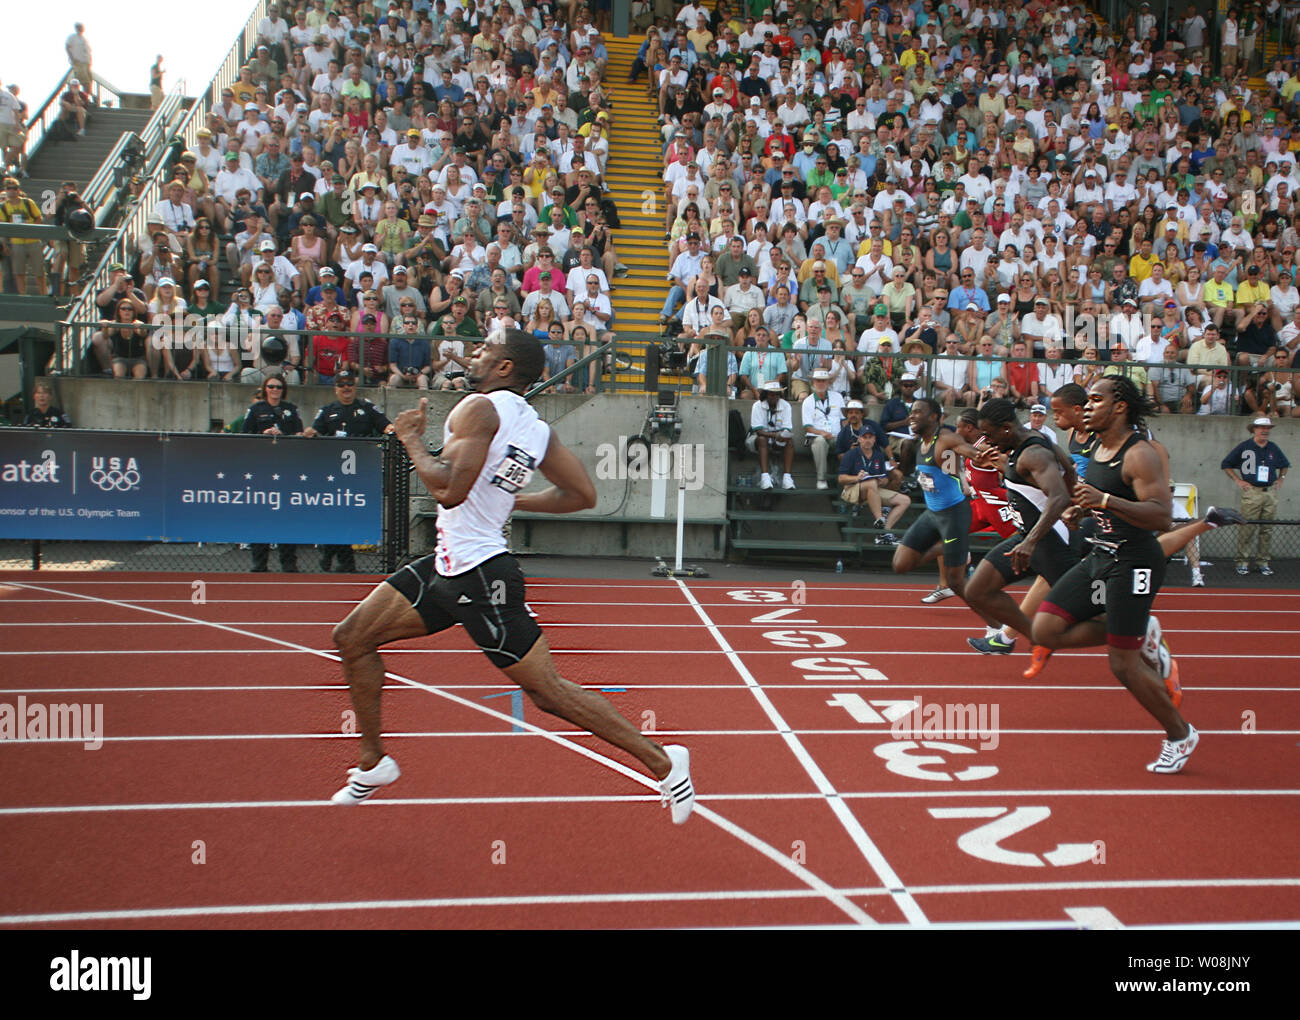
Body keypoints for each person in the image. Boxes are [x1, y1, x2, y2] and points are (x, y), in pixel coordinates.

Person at [329, 329, 695, 823]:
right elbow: (582, 496)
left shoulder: (479, 409)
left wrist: (412, 439)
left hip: (480, 577)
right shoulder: (536, 429)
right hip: (447, 564)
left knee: (548, 692)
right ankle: (373, 762)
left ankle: (663, 760)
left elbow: (449, 491)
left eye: (486, 348)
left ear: (505, 368)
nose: (475, 351)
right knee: (353, 637)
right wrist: (511, 499)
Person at [1031, 376, 1195, 774]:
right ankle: (1141, 632)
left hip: (1134, 562)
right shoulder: (1099, 446)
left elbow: (1161, 516)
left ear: (1119, 406)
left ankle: (1180, 734)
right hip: (1100, 556)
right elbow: (1106, 502)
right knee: (1044, 629)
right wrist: (1084, 508)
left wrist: (1104, 499)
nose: (1087, 406)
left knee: (1122, 665)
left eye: (1096, 399)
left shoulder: (1140, 454)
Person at [963, 398, 1081, 662]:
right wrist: (1001, 464)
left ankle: (1144, 641)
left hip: (1049, 541)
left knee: (1098, 615)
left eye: (989, 435)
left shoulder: (1034, 452)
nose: (988, 441)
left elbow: (1059, 495)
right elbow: (1067, 469)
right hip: (1029, 535)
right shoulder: (1026, 443)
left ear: (1006, 428)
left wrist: (1033, 540)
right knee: (977, 590)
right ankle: (1036, 639)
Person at [891, 397, 1001, 623]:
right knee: (900, 564)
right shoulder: (915, 444)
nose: (912, 416)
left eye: (918, 412)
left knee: (955, 583)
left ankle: (995, 625)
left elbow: (969, 451)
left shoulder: (946, 439)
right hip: (932, 514)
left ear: (933, 417)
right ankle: (948, 547)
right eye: (911, 412)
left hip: (954, 515)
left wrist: (984, 457)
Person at [303, 366, 395, 572]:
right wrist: (310, 433)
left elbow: (386, 426)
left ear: (355, 387)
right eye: (341, 385)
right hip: (333, 474)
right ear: (335, 388)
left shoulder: (367, 408)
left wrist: (390, 432)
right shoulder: (327, 411)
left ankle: (334, 556)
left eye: (350, 385)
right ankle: (341, 559)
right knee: (335, 514)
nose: (346, 388)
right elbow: (315, 432)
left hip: (361, 471)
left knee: (352, 516)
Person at [241, 375, 302, 572]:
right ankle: (259, 561)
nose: (275, 390)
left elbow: (299, 435)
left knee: (288, 516)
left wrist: (285, 436)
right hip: (262, 469)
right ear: (265, 389)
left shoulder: (291, 410)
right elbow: (244, 436)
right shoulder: (255, 410)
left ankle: (288, 561)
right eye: (271, 386)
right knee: (260, 516)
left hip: (285, 469)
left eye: (278, 387)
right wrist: (263, 435)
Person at [1222, 417, 1290, 576]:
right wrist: (1238, 480)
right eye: (1261, 427)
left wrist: (1281, 478)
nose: (1264, 431)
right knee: (1247, 527)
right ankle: (1242, 561)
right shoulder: (1245, 447)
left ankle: (1263, 561)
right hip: (1252, 492)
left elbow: (1285, 465)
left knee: (1267, 529)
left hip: (1270, 492)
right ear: (1254, 429)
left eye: (1267, 428)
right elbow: (1226, 464)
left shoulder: (1273, 448)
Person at [836, 428, 910, 540]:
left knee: (905, 500)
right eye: (864, 437)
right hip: (852, 490)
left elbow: (884, 478)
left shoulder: (878, 455)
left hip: (873, 490)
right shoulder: (850, 454)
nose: (867, 440)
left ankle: (884, 532)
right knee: (871, 483)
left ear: (874, 439)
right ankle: (880, 519)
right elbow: (841, 478)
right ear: (859, 439)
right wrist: (857, 477)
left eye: (870, 437)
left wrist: (882, 481)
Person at [748, 380, 796, 490]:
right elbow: (758, 430)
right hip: (757, 439)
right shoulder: (757, 406)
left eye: (776, 394)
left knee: (790, 442)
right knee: (762, 440)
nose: (774, 397)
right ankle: (765, 477)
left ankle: (787, 478)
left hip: (778, 438)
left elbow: (787, 428)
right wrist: (775, 436)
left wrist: (781, 436)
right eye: (771, 394)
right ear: (766, 394)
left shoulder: (786, 406)